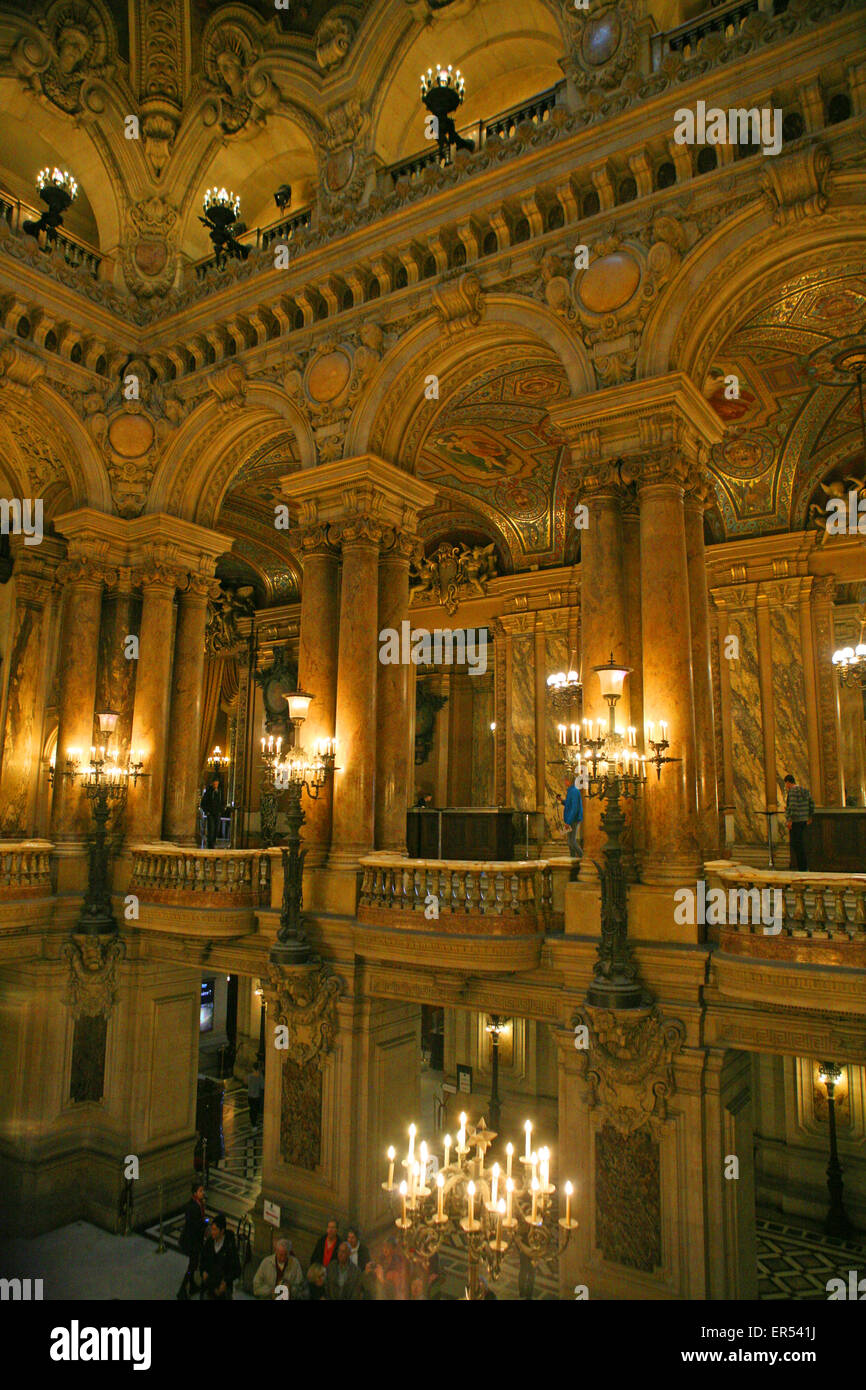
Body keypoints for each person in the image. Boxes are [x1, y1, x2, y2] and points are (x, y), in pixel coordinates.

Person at [199, 1212, 241, 1300]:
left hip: (222, 1288)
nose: (212, 1232)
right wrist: (203, 1271)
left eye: (215, 1230)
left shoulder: (230, 1247)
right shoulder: (209, 1243)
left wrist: (225, 1282)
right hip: (209, 1284)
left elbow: (236, 1269)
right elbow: (203, 1260)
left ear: (222, 1231)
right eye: (212, 1229)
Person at [176, 1180, 207, 1300]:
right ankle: (183, 1289)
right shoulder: (193, 1207)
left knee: (193, 1265)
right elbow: (196, 1225)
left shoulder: (197, 1204)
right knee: (191, 1267)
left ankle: (192, 1284)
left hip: (194, 1240)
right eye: (200, 1191)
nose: (202, 1193)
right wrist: (205, 1223)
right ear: (195, 1193)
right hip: (192, 1242)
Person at [784, 772, 814, 871]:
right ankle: (805, 866)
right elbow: (811, 804)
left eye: (786, 784)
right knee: (802, 843)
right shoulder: (805, 790)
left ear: (788, 782)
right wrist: (809, 816)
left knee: (796, 844)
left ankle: (801, 867)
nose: (786, 787)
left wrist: (790, 820)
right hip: (804, 820)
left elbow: (793, 806)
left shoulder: (792, 791)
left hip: (796, 821)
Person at [562, 775, 584, 859]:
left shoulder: (574, 791)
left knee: (572, 842)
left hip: (573, 819)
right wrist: (562, 801)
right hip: (571, 819)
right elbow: (569, 804)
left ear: (569, 781)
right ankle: (572, 860)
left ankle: (582, 857)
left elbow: (574, 808)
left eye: (565, 780)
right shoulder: (571, 791)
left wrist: (568, 822)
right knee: (570, 842)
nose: (564, 782)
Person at [200, 778, 223, 849]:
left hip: (217, 813)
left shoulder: (219, 792)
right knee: (211, 829)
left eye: (217, 783)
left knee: (216, 829)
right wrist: (207, 812)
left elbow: (221, 802)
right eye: (215, 783)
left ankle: (213, 842)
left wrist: (221, 810)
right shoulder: (208, 792)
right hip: (210, 814)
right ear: (212, 783)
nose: (216, 785)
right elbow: (203, 803)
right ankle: (210, 844)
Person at [246, 1060, 264, 1129]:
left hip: (250, 1096)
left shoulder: (250, 1076)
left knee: (251, 1109)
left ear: (253, 1068)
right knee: (255, 1110)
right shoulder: (260, 1076)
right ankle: (254, 1124)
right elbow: (262, 1086)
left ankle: (252, 1123)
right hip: (257, 1096)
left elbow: (246, 1082)